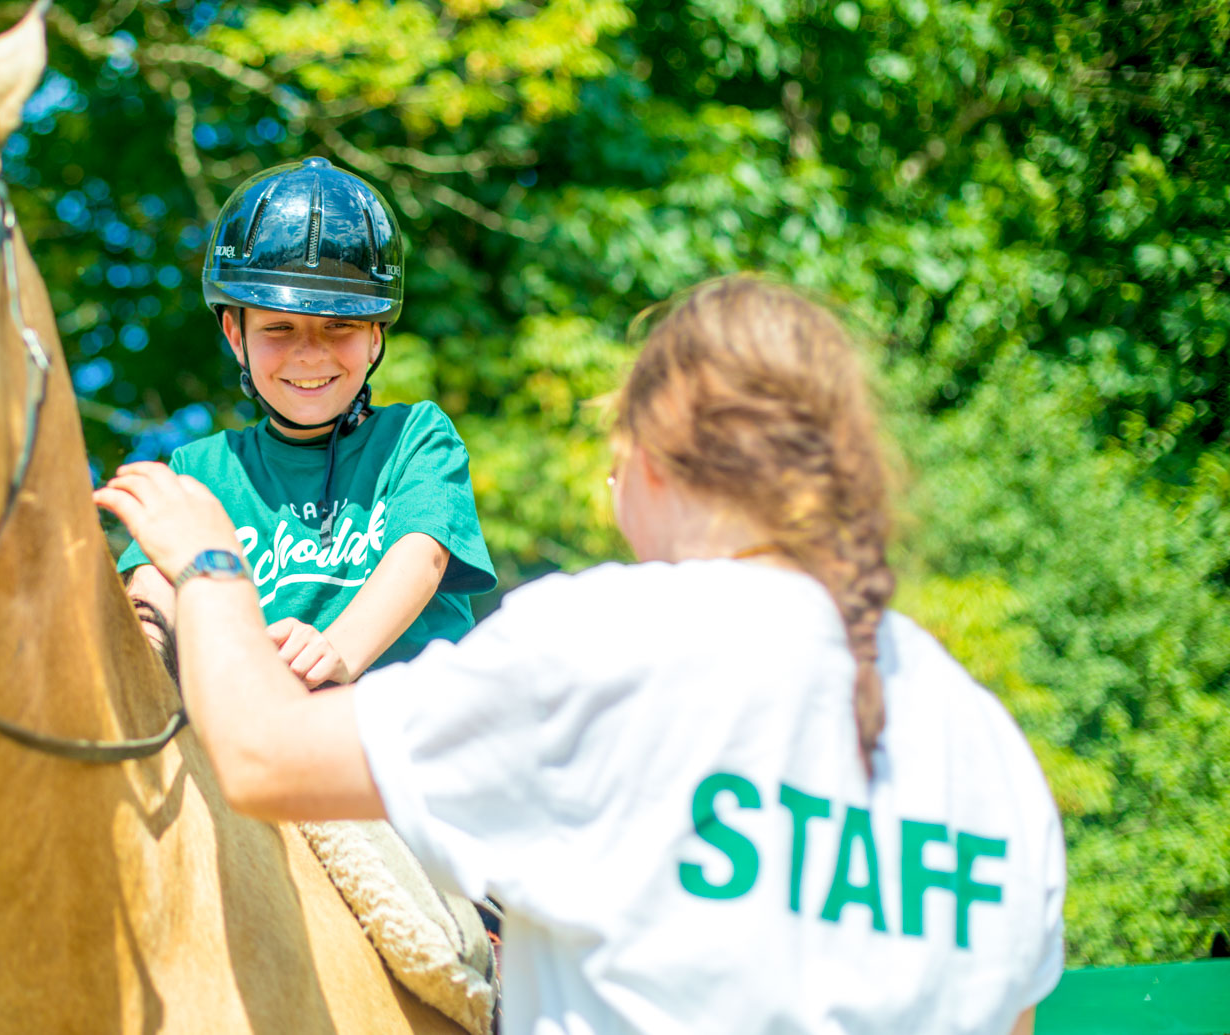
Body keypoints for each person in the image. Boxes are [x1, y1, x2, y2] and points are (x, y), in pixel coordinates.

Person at [96, 275, 1066, 1034]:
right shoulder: (991, 753)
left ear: (650, 461)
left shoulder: (598, 646)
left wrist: (210, 566)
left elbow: (261, 756)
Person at [119, 156, 495, 687]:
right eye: (279, 328)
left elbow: (421, 557)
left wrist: (336, 651)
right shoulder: (199, 471)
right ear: (235, 335)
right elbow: (155, 588)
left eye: (339, 325)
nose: (311, 353)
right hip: (259, 728)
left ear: (375, 337)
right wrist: (140, 652)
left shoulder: (415, 438)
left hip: (403, 722)